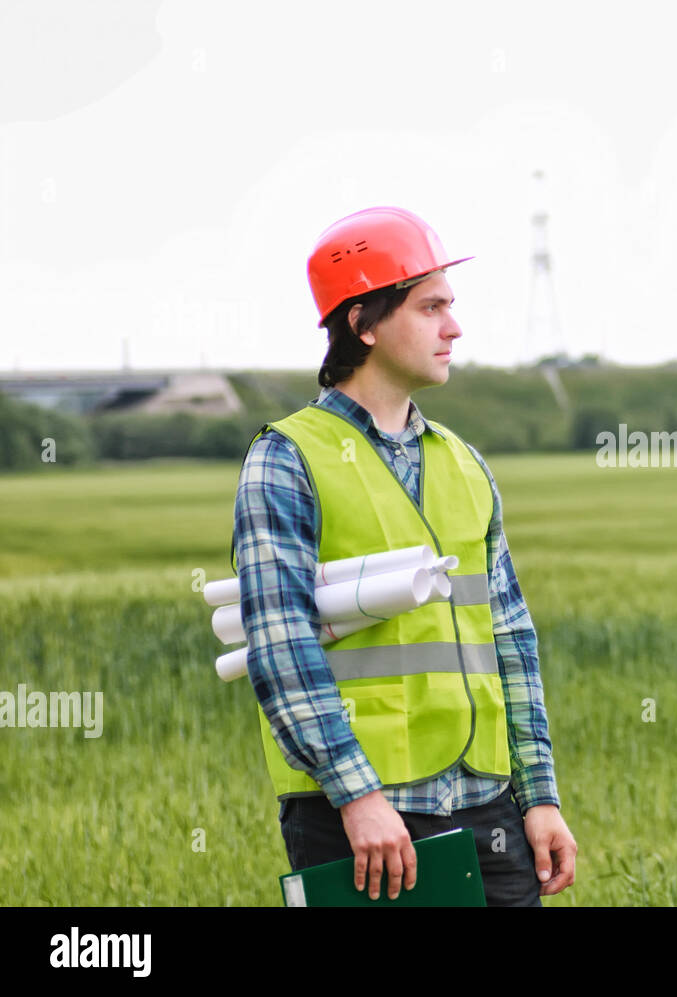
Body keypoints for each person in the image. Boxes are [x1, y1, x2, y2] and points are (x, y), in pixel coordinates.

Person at [231, 205, 576, 906]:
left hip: (489, 808)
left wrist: (539, 794)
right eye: (431, 308)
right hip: (361, 818)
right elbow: (280, 645)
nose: (454, 327)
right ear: (363, 323)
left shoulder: (464, 463)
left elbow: (510, 637)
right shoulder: (286, 460)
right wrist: (357, 794)